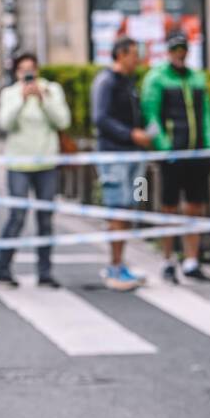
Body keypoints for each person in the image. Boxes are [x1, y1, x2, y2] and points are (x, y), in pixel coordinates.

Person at [141, 30, 210, 284]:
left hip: (196, 152)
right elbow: (150, 115)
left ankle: (191, 260)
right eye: (175, 49)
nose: (180, 53)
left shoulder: (197, 78)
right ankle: (167, 259)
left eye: (183, 49)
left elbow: (205, 114)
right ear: (168, 51)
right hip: (173, 154)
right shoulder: (157, 78)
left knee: (195, 205)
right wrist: (164, 147)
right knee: (169, 207)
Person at [0, 51, 70, 288]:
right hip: (19, 164)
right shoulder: (10, 93)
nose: (28, 74)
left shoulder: (51, 90)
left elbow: (63, 121)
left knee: (45, 218)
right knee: (17, 216)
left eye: (31, 69)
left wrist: (44, 100)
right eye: (23, 69)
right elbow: (4, 123)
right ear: (17, 72)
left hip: (46, 162)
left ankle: (44, 272)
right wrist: (22, 100)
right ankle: (2, 269)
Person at [91, 37, 152, 292]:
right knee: (117, 209)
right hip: (114, 155)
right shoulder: (106, 82)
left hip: (131, 154)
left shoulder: (129, 83)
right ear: (121, 55)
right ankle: (115, 266)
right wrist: (130, 134)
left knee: (126, 209)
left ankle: (120, 263)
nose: (137, 59)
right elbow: (100, 118)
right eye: (133, 54)